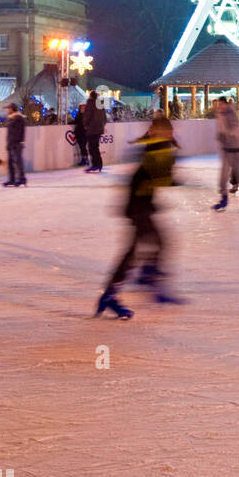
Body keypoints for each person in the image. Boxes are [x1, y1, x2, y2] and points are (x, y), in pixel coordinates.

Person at [96, 113, 182, 319]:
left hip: (142, 205)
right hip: (138, 206)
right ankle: (145, 283)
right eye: (163, 131)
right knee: (152, 245)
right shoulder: (152, 148)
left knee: (141, 249)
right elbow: (155, 176)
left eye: (168, 132)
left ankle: (114, 293)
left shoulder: (158, 147)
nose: (167, 134)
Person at [212, 99, 239, 210]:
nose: (219, 107)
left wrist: (224, 134)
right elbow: (221, 130)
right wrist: (220, 136)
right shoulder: (220, 114)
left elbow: (234, 130)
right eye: (218, 105)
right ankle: (224, 199)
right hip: (227, 150)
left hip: (238, 150)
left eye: (221, 104)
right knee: (223, 177)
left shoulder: (232, 114)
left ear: (226, 104)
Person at [4, 103, 27, 186]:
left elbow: (18, 132)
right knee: (10, 163)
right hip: (11, 143)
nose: (7, 110)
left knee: (18, 162)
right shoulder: (11, 118)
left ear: (12, 109)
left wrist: (15, 142)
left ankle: (22, 179)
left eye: (8, 108)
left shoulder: (18, 118)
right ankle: (12, 179)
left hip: (16, 144)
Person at [84, 89, 106, 173]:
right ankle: (99, 164)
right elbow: (104, 117)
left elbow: (87, 115)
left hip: (92, 128)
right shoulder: (100, 104)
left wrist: (86, 124)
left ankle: (95, 165)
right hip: (99, 128)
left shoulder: (90, 103)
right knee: (95, 147)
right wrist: (102, 125)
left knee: (92, 147)